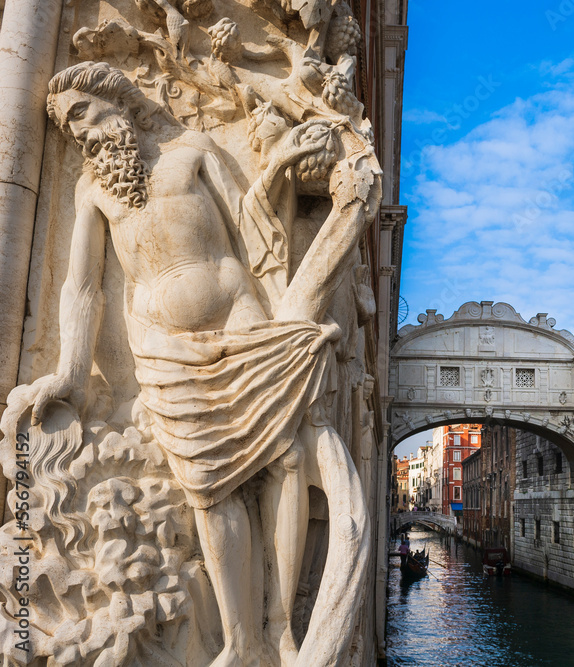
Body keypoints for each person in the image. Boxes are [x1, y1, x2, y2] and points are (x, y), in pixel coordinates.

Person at [31, 61, 369, 666]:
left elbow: (253, 222)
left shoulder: (193, 149)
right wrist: (70, 371)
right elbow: (82, 287)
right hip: (165, 351)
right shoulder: (92, 190)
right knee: (210, 490)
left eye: (80, 113)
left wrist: (283, 163)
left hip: (239, 318)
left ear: (118, 101)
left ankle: (280, 627)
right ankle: (239, 642)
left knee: (286, 457)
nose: (77, 134)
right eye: (65, 127)